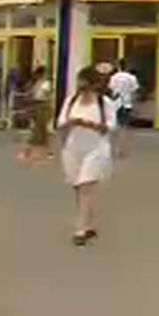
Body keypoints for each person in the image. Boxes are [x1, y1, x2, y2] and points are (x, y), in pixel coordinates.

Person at [57, 66, 119, 246]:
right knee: (78, 187)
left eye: (86, 85)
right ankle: (88, 223)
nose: (82, 89)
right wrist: (70, 122)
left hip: (96, 149)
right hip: (73, 149)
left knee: (86, 186)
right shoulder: (71, 101)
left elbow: (111, 126)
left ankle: (80, 228)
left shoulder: (104, 103)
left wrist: (90, 124)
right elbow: (60, 123)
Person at [20, 66, 54, 161]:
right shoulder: (37, 83)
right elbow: (32, 93)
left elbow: (44, 94)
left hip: (43, 106)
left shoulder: (46, 84)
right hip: (37, 106)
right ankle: (47, 152)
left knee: (39, 130)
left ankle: (28, 151)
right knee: (40, 131)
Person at [108, 60, 140, 149]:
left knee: (115, 125)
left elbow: (111, 90)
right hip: (127, 103)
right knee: (124, 126)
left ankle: (114, 146)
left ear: (118, 66)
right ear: (127, 66)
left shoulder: (113, 77)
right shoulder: (132, 77)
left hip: (116, 104)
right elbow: (135, 91)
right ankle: (121, 147)